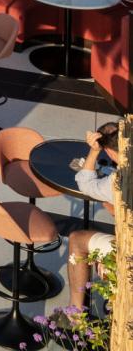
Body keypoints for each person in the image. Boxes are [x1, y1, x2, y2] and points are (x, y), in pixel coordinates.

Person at [66, 122, 122, 309]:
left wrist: (93, 151)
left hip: (128, 253)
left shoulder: (116, 182)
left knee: (76, 240)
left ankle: (73, 316)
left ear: (110, 153)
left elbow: (85, 183)